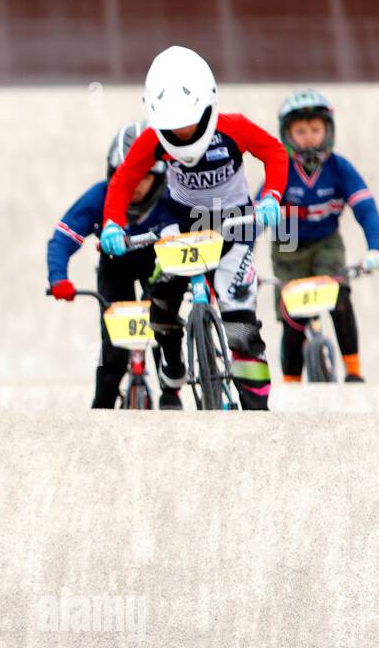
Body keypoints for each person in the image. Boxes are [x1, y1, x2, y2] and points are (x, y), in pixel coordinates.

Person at [102, 46, 287, 411]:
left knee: (238, 315)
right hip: (180, 221)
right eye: (172, 127)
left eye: (189, 122)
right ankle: (172, 374)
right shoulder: (153, 139)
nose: (183, 133)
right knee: (163, 302)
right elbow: (124, 180)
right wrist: (111, 223)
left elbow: (275, 153)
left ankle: (257, 411)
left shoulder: (233, 127)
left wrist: (271, 198)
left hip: (235, 222)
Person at [47, 123, 177, 408]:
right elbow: (62, 238)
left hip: (158, 270)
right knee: (113, 355)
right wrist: (59, 279)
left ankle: (171, 399)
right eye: (129, 177)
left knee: (165, 335)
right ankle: (101, 413)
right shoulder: (100, 195)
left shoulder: (172, 196)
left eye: (146, 177)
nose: (137, 185)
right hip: (115, 270)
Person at [270, 89, 379, 383]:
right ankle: (291, 384)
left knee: (340, 298)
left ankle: (354, 372)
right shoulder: (280, 169)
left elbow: (366, 209)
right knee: (292, 319)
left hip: (326, 243)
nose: (309, 136)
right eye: (300, 130)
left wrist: (375, 249)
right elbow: (258, 211)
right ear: (287, 134)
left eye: (315, 129)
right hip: (288, 243)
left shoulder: (339, 168)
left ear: (328, 131)